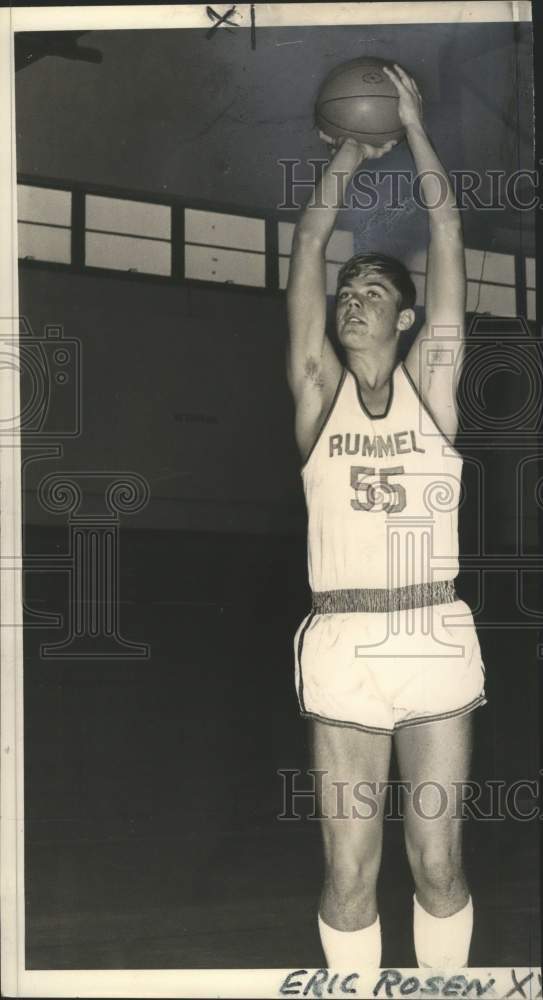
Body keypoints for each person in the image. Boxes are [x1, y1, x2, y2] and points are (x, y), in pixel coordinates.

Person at [286, 64, 486, 969]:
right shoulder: (316, 392)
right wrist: (348, 157)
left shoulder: (431, 388)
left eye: (373, 291)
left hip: (432, 630)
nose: (352, 297)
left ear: (407, 321)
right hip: (343, 638)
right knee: (348, 875)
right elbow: (309, 246)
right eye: (349, 290)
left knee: (438, 867)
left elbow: (448, 231)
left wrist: (412, 130)